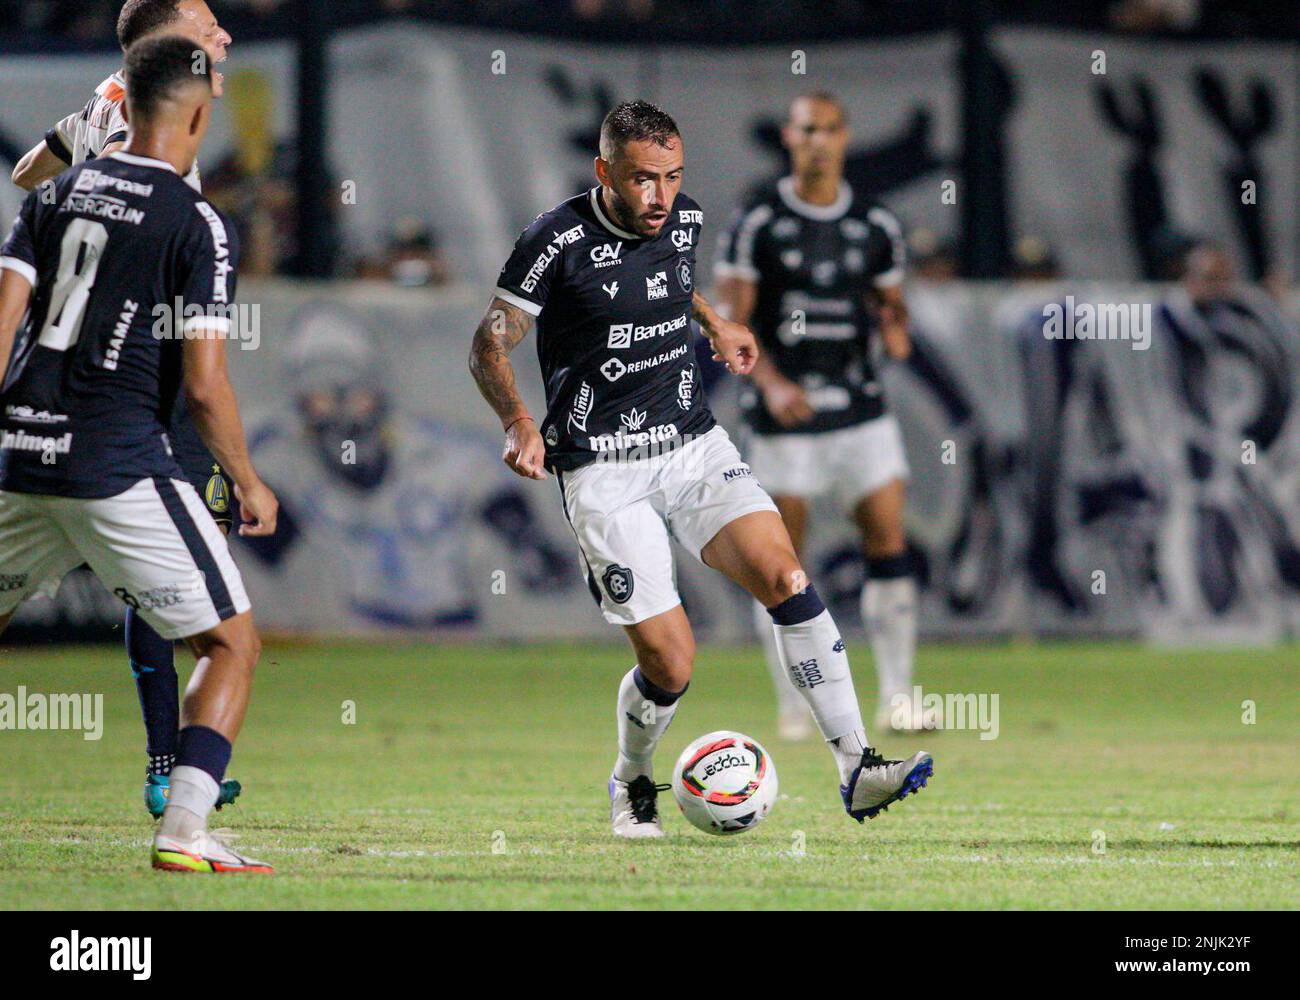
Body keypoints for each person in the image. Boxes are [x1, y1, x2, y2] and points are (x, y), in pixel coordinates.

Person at [469, 100, 933, 838]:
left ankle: (857, 766)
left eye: (672, 177)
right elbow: (488, 344)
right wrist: (518, 421)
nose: (660, 197)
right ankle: (631, 779)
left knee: (787, 578)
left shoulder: (683, 219)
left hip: (692, 446)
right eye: (642, 180)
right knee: (672, 664)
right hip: (602, 468)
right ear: (604, 172)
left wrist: (716, 321)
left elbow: (669, 279)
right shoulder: (553, 240)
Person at [0, 35, 276, 873]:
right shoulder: (197, 222)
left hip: (17, 452)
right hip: (115, 463)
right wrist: (247, 478)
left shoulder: (54, 193)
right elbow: (204, 385)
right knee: (230, 644)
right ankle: (186, 828)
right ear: (197, 112)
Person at [715, 91, 934, 738]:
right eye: (807, 130)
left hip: (862, 409)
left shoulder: (876, 224)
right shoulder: (757, 221)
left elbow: (891, 309)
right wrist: (774, 384)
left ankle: (898, 696)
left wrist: (896, 332)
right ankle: (795, 705)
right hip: (787, 416)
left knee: (889, 544)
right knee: (784, 563)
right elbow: (733, 325)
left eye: (830, 130)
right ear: (789, 136)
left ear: (844, 137)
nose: (818, 141)